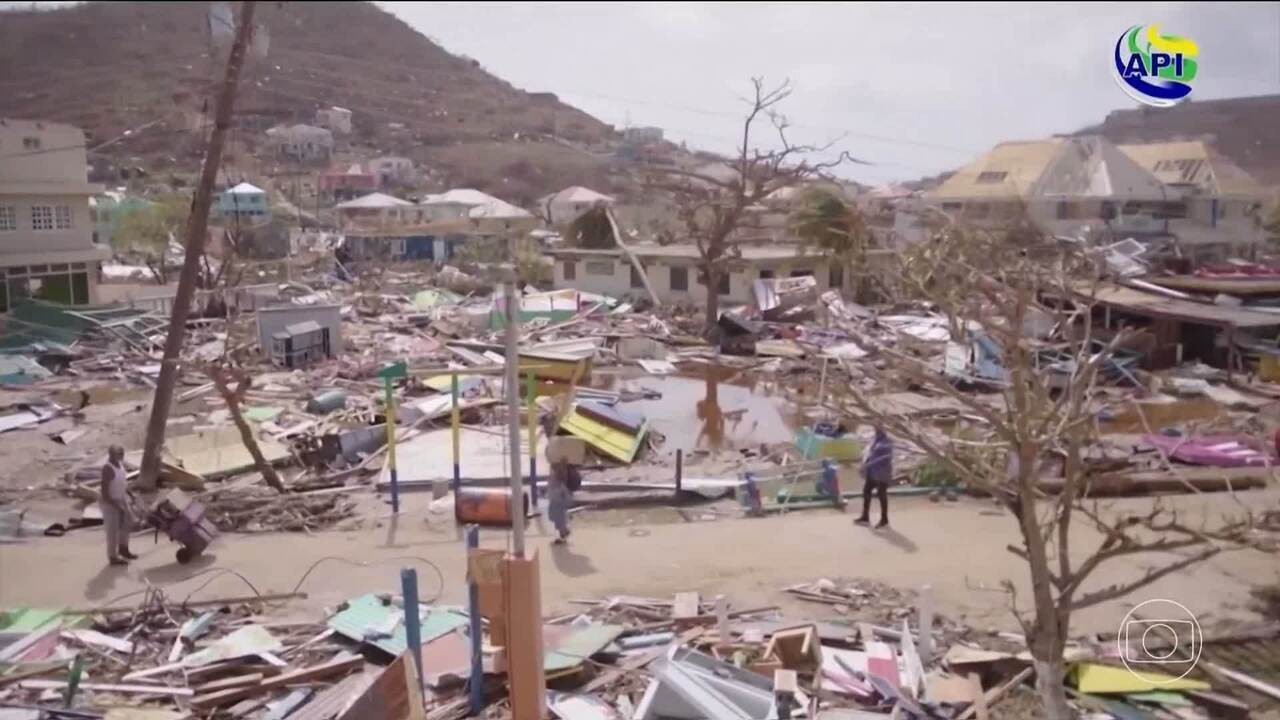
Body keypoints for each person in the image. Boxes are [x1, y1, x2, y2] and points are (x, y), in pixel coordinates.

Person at [100, 445, 137, 565]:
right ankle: (113, 557)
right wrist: (117, 506)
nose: (122, 455)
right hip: (110, 501)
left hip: (122, 498)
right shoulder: (107, 468)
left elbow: (122, 482)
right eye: (119, 453)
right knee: (113, 530)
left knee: (127, 523)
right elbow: (105, 493)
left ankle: (123, 549)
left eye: (122, 453)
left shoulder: (120, 465)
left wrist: (130, 495)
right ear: (112, 454)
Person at [544, 434, 582, 545]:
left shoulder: (561, 465)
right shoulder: (556, 463)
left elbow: (561, 478)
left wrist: (561, 464)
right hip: (558, 492)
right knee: (556, 514)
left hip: (559, 492)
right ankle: (563, 533)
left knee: (556, 514)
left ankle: (563, 532)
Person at [856, 426, 893, 529]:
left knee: (881, 495)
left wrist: (870, 463)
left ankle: (884, 519)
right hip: (872, 472)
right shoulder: (875, 440)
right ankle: (865, 516)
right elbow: (870, 454)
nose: (876, 429)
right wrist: (864, 464)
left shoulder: (887, 442)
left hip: (882, 473)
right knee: (866, 491)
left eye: (878, 428)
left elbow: (886, 457)